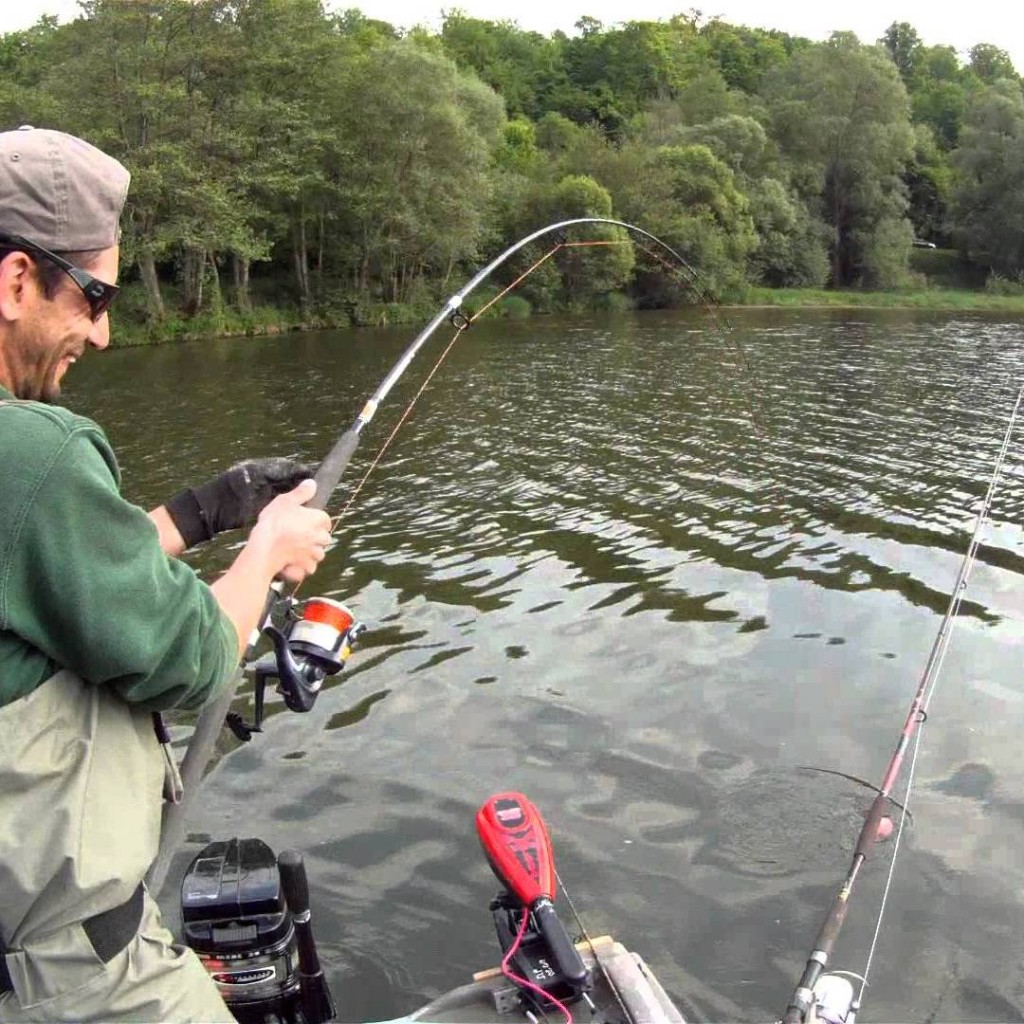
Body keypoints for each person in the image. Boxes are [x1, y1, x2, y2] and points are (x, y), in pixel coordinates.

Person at [0, 127, 334, 1022]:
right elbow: (189, 655)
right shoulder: (32, 451)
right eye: (95, 295)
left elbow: (46, 581)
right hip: (68, 978)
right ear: (16, 281)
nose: (104, 334)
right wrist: (265, 551)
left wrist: (203, 511)